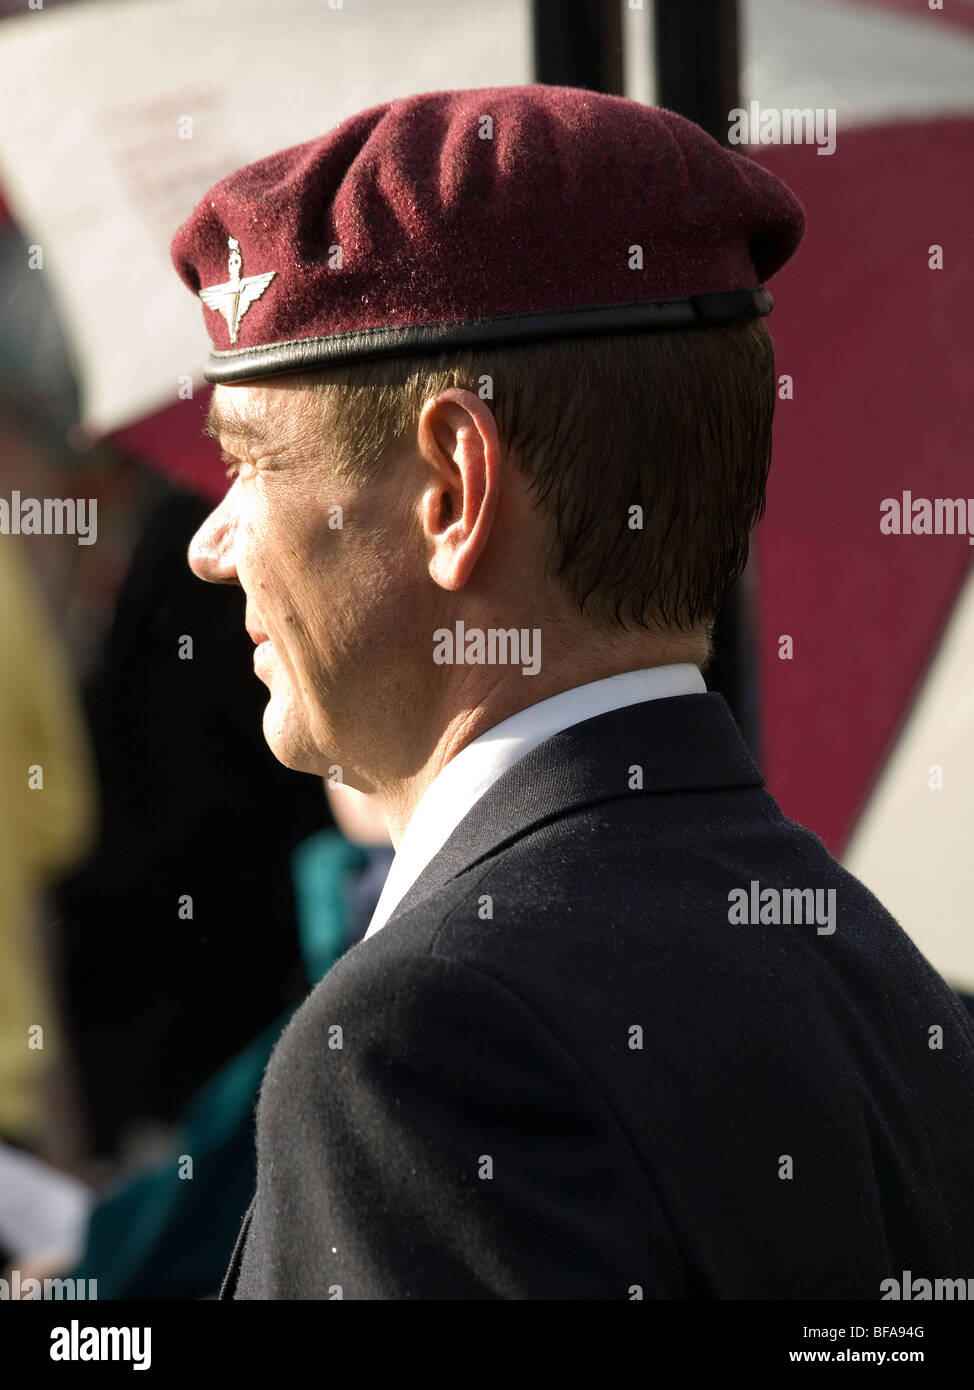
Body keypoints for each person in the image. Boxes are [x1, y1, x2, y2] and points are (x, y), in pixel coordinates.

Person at [173, 85, 974, 1299]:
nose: (211, 543)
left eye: (247, 462)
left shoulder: (421, 1044)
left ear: (452, 489)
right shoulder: (880, 982)